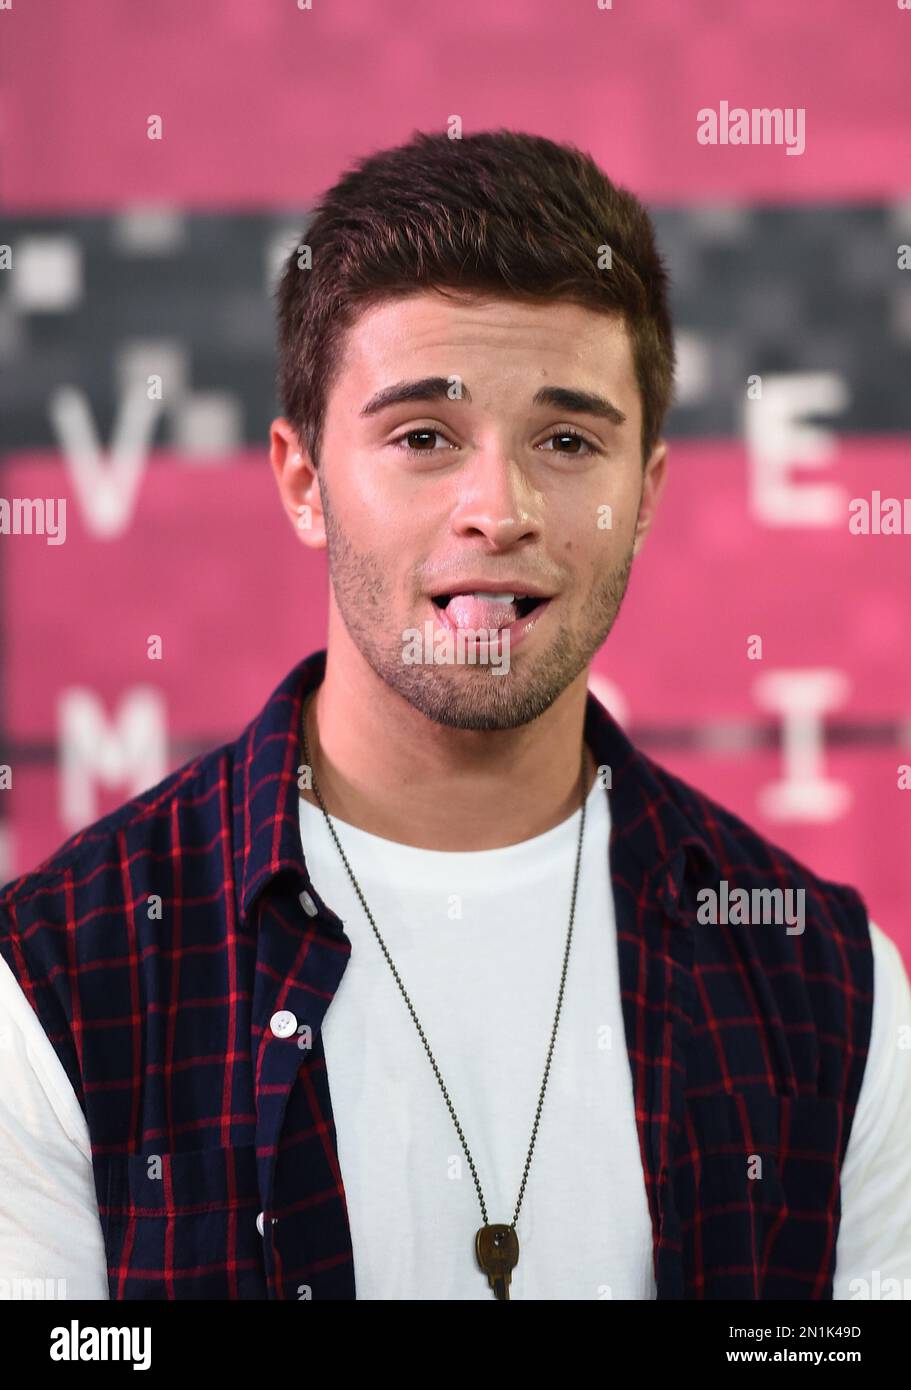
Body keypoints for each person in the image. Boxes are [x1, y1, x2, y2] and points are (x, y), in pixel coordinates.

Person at [1, 128, 909, 1302]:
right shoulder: (65, 976)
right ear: (302, 481)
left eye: (568, 440)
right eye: (423, 436)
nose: (501, 506)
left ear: (644, 496)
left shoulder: (825, 981)